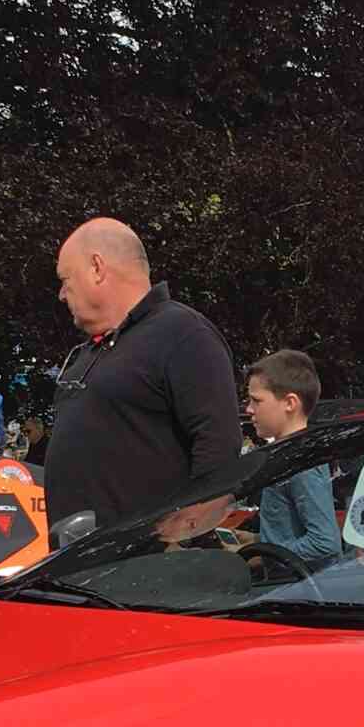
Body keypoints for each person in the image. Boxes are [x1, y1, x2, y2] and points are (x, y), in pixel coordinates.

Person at [47, 216, 240, 528]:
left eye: (65, 279)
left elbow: (218, 449)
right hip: (78, 562)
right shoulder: (88, 353)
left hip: (147, 564)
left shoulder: (182, 333)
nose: (61, 293)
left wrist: (184, 535)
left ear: (97, 268)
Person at [242, 351, 342, 569]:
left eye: (256, 400)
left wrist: (263, 557)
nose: (248, 409)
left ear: (289, 403)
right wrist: (254, 541)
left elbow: (325, 544)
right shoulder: (288, 455)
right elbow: (292, 531)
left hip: (294, 591)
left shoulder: (303, 464)